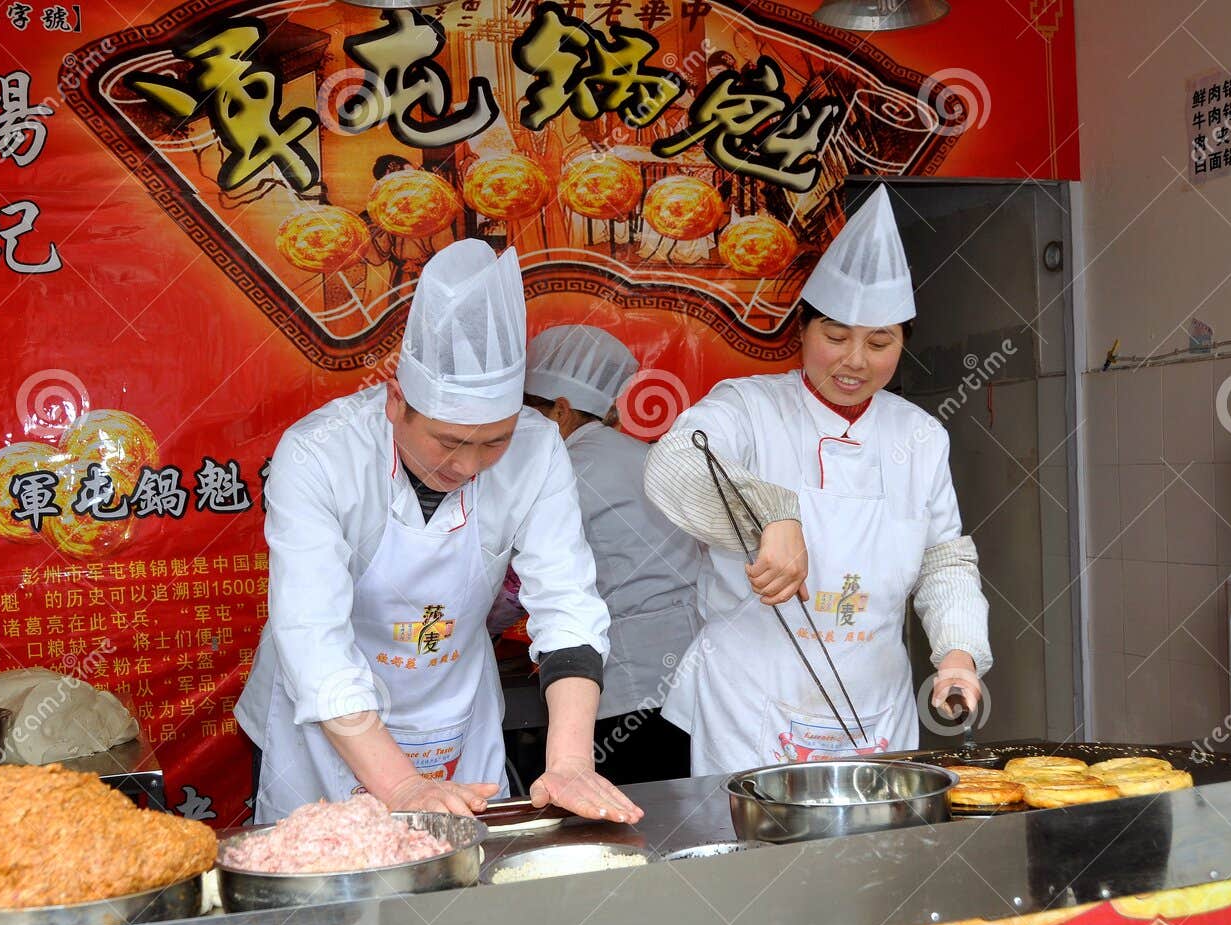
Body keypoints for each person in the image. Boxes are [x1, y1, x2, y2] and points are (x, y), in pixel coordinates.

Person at [237, 239, 642, 825]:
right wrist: (401, 786)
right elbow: (312, 636)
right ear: (397, 401)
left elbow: (568, 603)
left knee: (467, 896)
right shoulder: (321, 454)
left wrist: (572, 760)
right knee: (332, 892)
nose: (470, 466)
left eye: (493, 441)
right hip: (326, 724)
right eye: (449, 442)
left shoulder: (538, 446)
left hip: (455, 710)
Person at [643, 188, 991, 774]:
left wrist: (957, 654)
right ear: (800, 330)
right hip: (750, 711)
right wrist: (773, 514)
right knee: (758, 857)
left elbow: (942, 559)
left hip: (876, 709)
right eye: (835, 337)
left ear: (903, 343)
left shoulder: (921, 435)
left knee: (875, 861)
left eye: (880, 343)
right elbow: (674, 461)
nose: (855, 360)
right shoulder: (748, 409)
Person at [517, 325, 701, 786]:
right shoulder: (640, 454)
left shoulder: (566, 467)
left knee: (629, 813)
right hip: (689, 670)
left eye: (527, 415)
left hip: (628, 682)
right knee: (681, 801)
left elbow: (518, 582)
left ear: (559, 410)